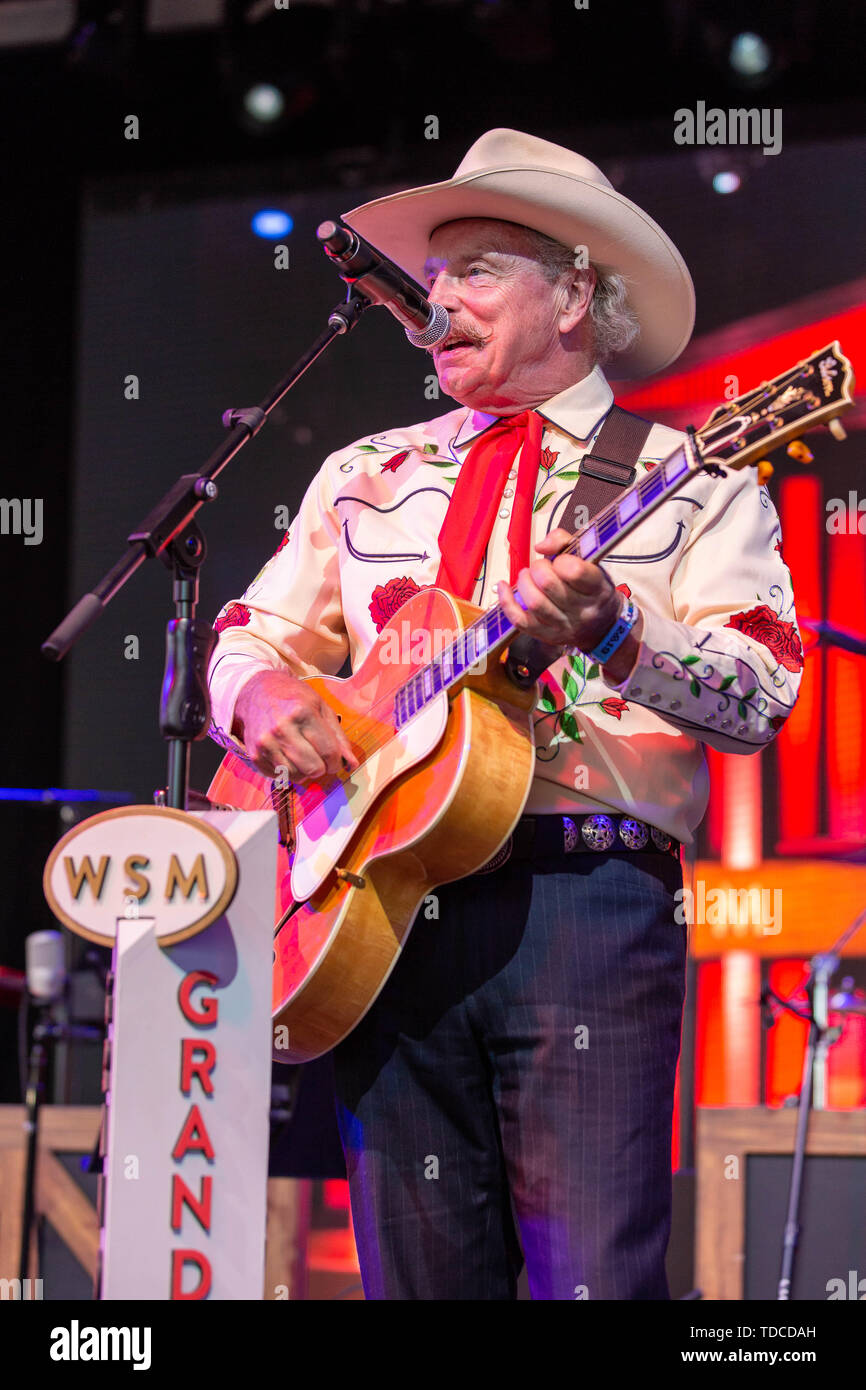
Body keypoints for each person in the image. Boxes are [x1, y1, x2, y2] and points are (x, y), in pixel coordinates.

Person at [207, 129, 802, 1299]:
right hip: (379, 906)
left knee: (593, 1277)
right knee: (415, 1280)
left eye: (475, 270)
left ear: (573, 295)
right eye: (432, 276)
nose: (437, 299)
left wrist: (615, 629)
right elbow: (246, 638)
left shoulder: (693, 473)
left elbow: (761, 692)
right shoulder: (364, 474)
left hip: (583, 901)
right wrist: (264, 693)